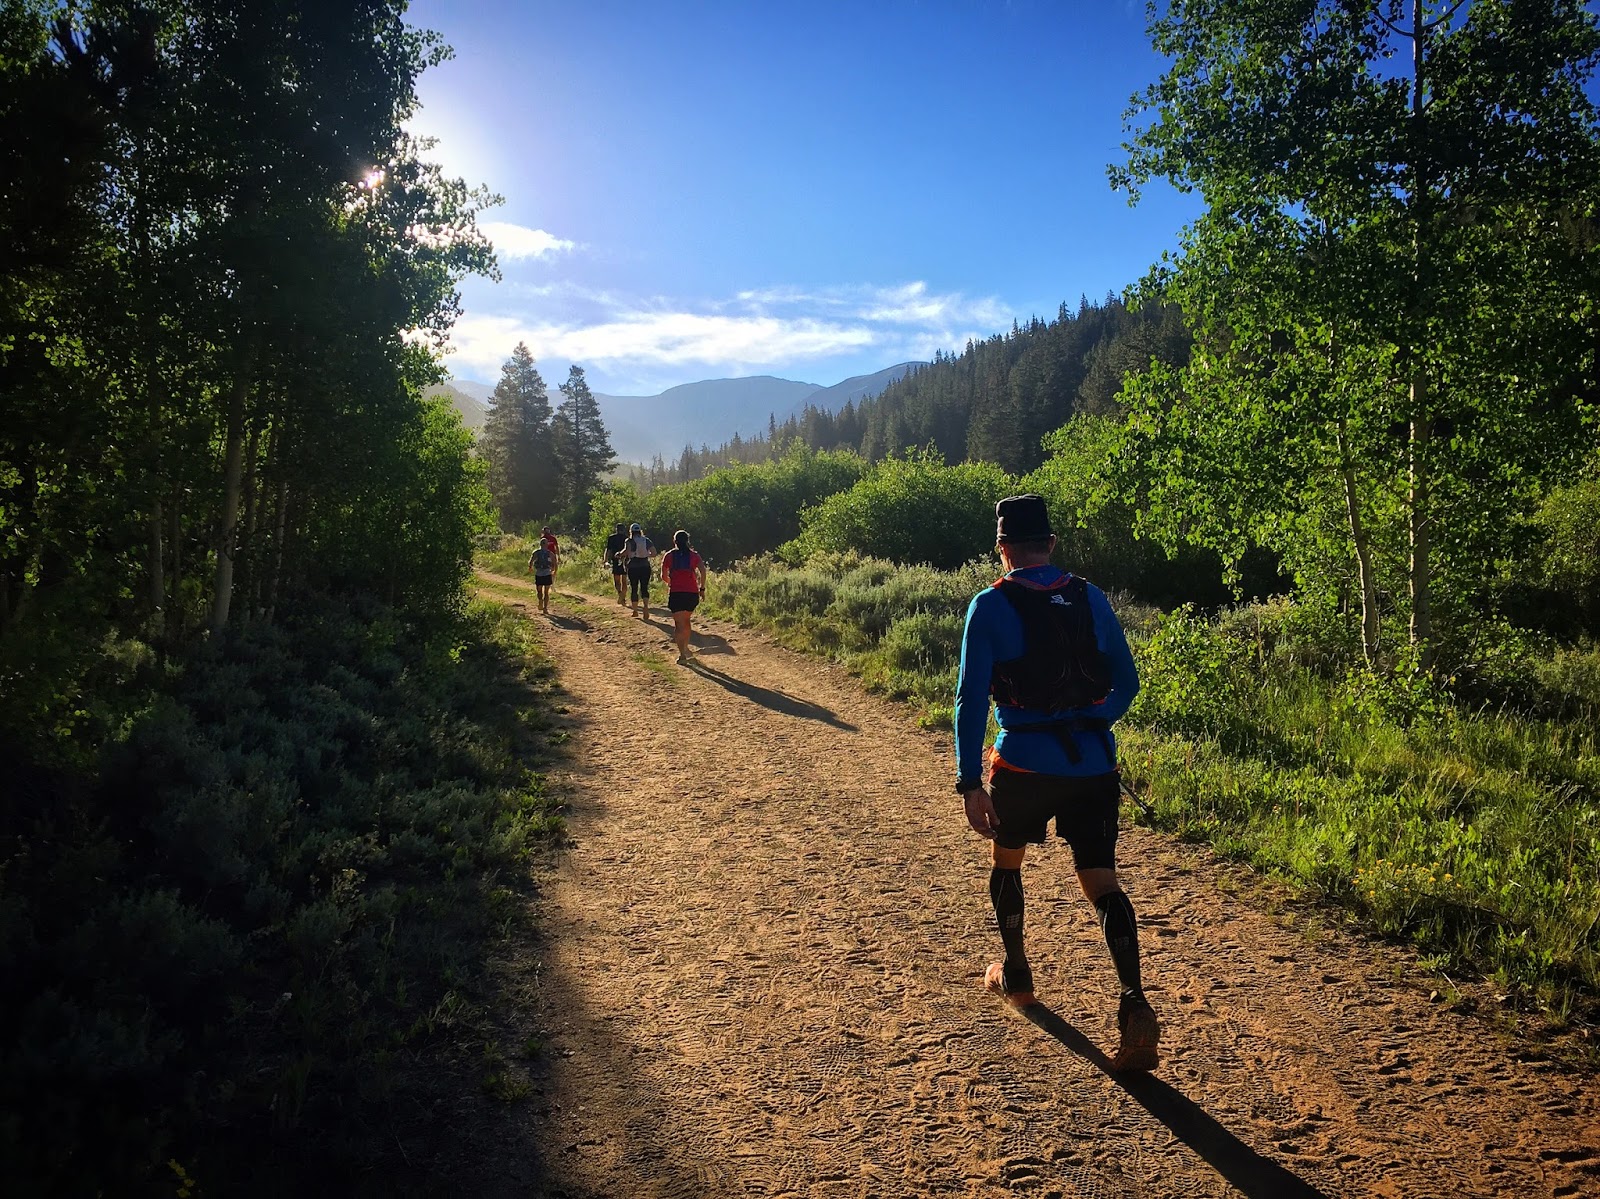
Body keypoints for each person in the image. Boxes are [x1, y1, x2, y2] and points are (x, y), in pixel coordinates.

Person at [953, 493, 1157, 1071]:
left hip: (1023, 765)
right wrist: (1095, 721)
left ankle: (1017, 980)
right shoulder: (1089, 595)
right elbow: (1127, 682)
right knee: (1101, 881)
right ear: (1051, 544)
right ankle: (1133, 1002)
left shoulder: (989, 606)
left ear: (1002, 549)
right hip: (1093, 766)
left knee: (1007, 862)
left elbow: (971, 701)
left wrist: (970, 782)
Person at [660, 529, 707, 663]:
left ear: (674, 541)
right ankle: (685, 647)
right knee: (686, 621)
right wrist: (702, 588)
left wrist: (670, 582)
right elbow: (703, 571)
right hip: (691, 593)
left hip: (676, 592)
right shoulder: (694, 555)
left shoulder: (669, 556)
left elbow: (663, 575)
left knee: (678, 624)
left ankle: (682, 654)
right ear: (687, 541)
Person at [621, 522, 655, 618]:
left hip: (633, 566)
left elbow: (626, 552)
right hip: (645, 565)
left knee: (634, 588)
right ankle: (646, 607)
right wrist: (645, 555)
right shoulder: (646, 540)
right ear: (640, 531)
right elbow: (654, 553)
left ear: (631, 531)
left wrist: (619, 554)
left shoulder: (629, 541)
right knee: (644, 587)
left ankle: (635, 611)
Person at [528, 537, 557, 614]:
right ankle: (545, 608)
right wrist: (554, 570)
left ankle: (542, 603)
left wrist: (530, 567)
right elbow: (554, 562)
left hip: (539, 573)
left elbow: (531, 561)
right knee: (546, 592)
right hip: (547, 573)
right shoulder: (550, 553)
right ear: (546, 545)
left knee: (539, 591)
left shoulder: (536, 552)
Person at [604, 521, 629, 605]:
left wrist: (606, 560)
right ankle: (623, 597)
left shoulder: (611, 538)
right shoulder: (627, 538)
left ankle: (620, 595)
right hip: (625, 560)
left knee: (617, 580)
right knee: (624, 581)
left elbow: (608, 550)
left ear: (616, 529)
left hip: (615, 560)